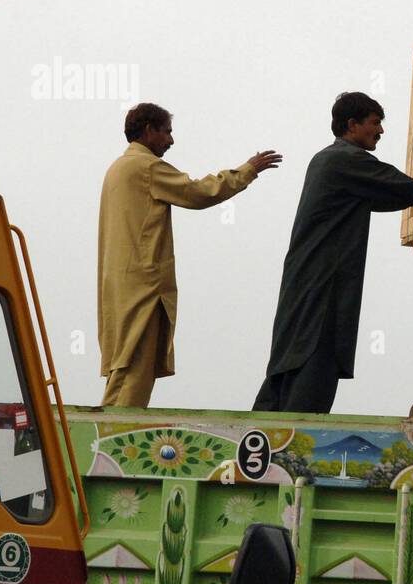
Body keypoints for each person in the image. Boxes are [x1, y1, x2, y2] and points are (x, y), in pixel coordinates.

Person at [254, 91, 413, 413]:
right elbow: (402, 188)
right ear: (352, 125)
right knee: (312, 368)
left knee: (288, 368)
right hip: (322, 291)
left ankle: (258, 448)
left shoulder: (327, 162)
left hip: (306, 289)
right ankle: (288, 452)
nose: (381, 131)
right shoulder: (344, 160)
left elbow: (394, 195)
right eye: (375, 123)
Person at [98, 103, 282, 407]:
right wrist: (248, 170)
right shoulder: (145, 167)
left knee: (124, 365)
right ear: (149, 130)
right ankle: (115, 439)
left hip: (120, 286)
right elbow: (198, 193)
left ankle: (105, 433)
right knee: (134, 370)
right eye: (167, 132)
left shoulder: (117, 168)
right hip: (143, 288)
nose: (171, 141)